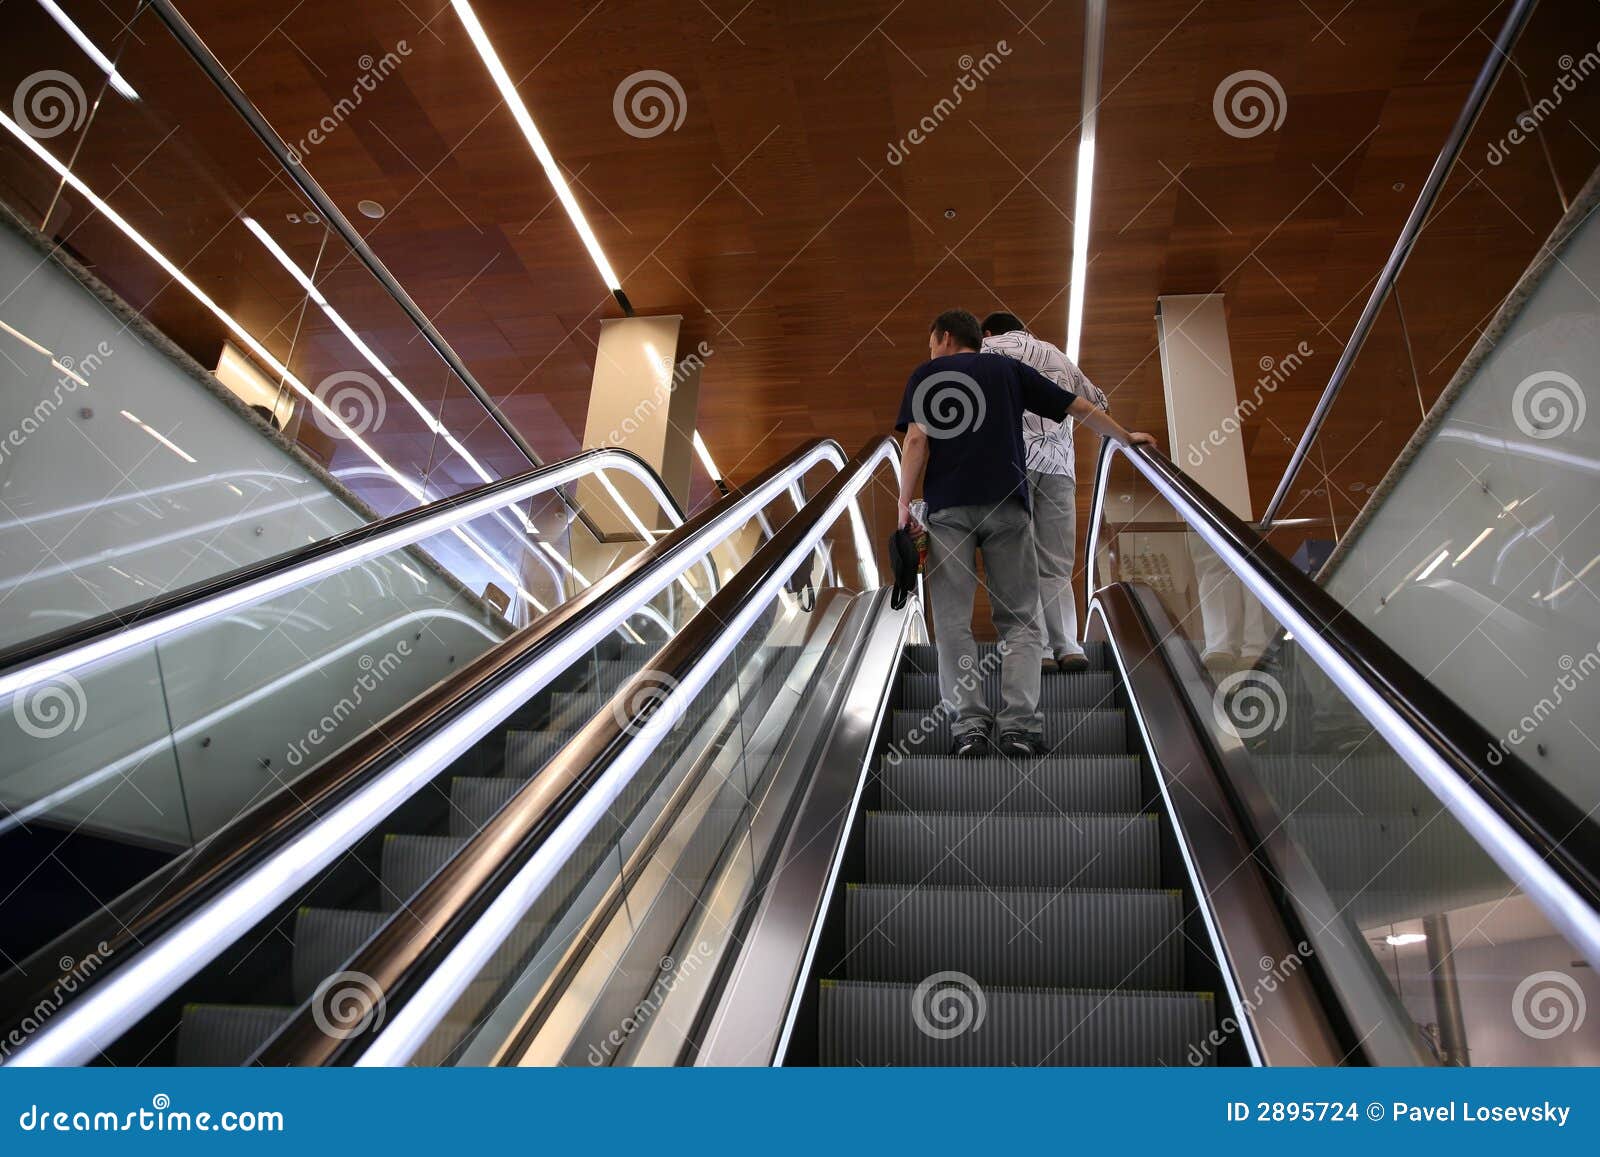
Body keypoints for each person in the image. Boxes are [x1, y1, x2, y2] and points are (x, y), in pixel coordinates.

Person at [896, 309, 1156, 758]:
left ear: (943, 337)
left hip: (949, 510)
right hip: (1007, 506)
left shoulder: (928, 374)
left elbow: (916, 441)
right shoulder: (1008, 370)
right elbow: (1076, 405)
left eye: (931, 340)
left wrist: (903, 504)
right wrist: (1124, 437)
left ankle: (969, 727)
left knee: (954, 621)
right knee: (1018, 619)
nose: (931, 348)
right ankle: (1019, 728)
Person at [980, 311, 1109, 673]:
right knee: (1054, 565)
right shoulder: (1057, 354)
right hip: (1059, 470)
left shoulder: (983, 350)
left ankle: (1034, 651)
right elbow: (1098, 403)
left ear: (988, 331)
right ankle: (1067, 646)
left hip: (1008, 465)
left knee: (1013, 562)